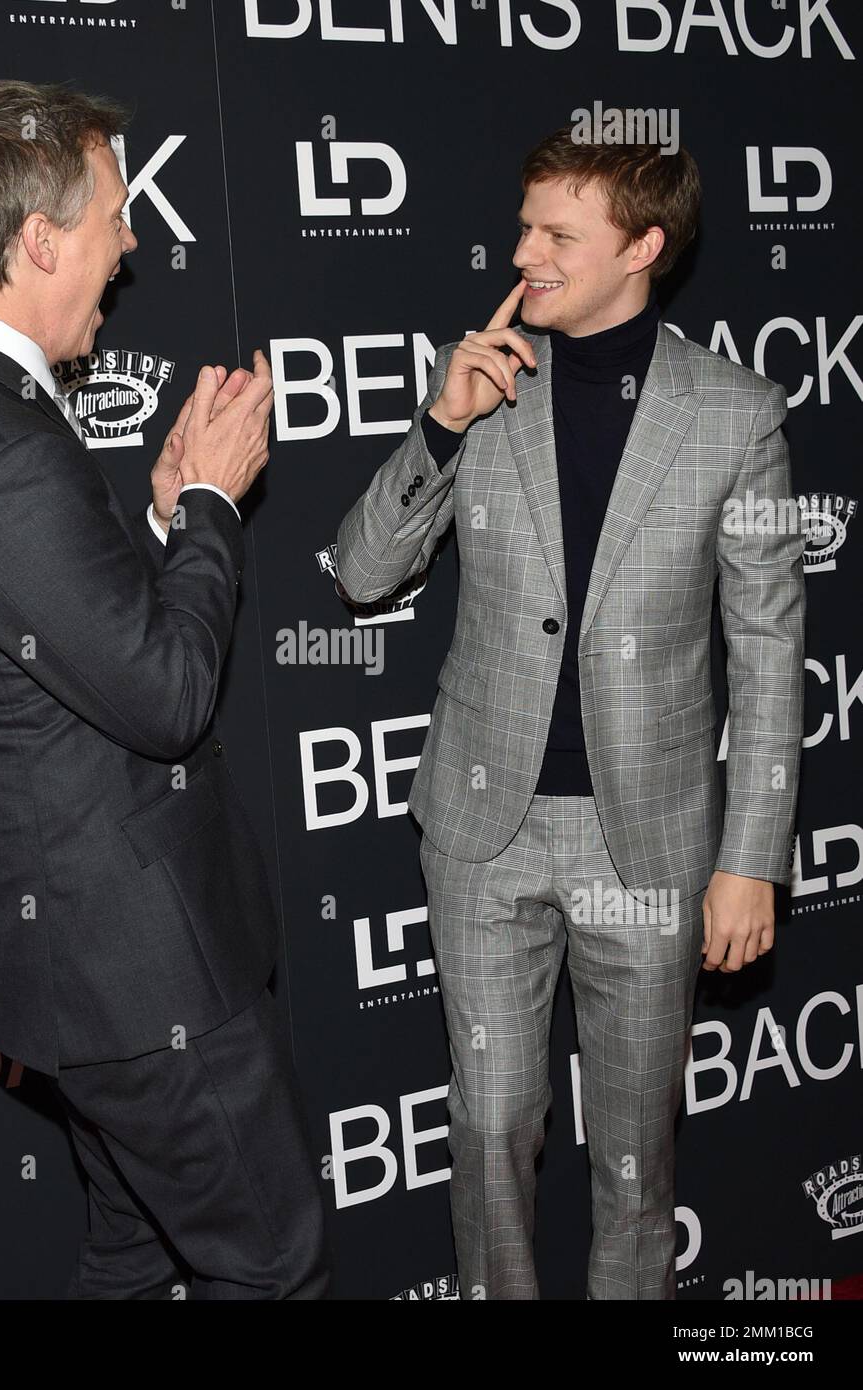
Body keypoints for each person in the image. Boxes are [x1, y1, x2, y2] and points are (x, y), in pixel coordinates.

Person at [0, 79, 328, 1300]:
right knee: (268, 1265)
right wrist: (217, 501)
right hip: (138, 977)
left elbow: (49, 648)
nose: (133, 242)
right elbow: (165, 694)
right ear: (40, 240)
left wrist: (163, 515)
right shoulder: (5, 448)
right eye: (117, 212)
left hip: (56, 976)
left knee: (127, 1255)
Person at [335, 120, 805, 1300]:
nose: (522, 251)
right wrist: (438, 423)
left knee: (636, 1161)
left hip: (643, 843)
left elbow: (765, 652)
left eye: (555, 233)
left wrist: (748, 857)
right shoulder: (488, 379)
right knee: (490, 1131)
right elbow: (358, 573)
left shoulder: (733, 414)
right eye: (522, 224)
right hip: (482, 831)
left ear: (641, 245)